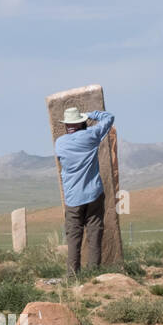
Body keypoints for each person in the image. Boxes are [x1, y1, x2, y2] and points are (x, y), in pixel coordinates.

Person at [54, 106, 114, 275]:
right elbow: (109, 118)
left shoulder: (60, 143)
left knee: (74, 238)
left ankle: (72, 275)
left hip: (73, 197)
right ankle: (93, 274)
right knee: (94, 234)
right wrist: (90, 115)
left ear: (67, 125)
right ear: (81, 123)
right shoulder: (91, 136)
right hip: (93, 193)